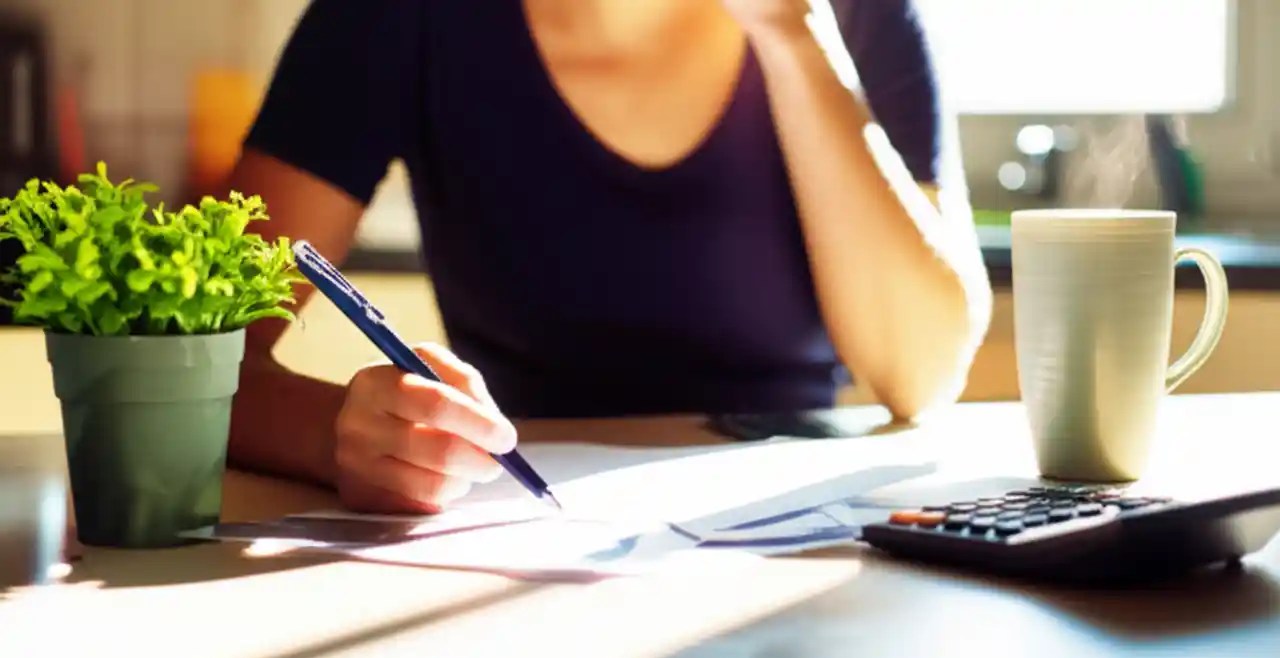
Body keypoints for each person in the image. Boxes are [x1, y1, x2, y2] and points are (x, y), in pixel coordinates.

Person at [224, 0, 992, 514]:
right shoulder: (396, 15)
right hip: (521, 533)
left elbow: (921, 374)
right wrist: (334, 434)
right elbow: (191, 352)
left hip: (789, 533)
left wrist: (794, 33)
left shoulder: (860, 14)